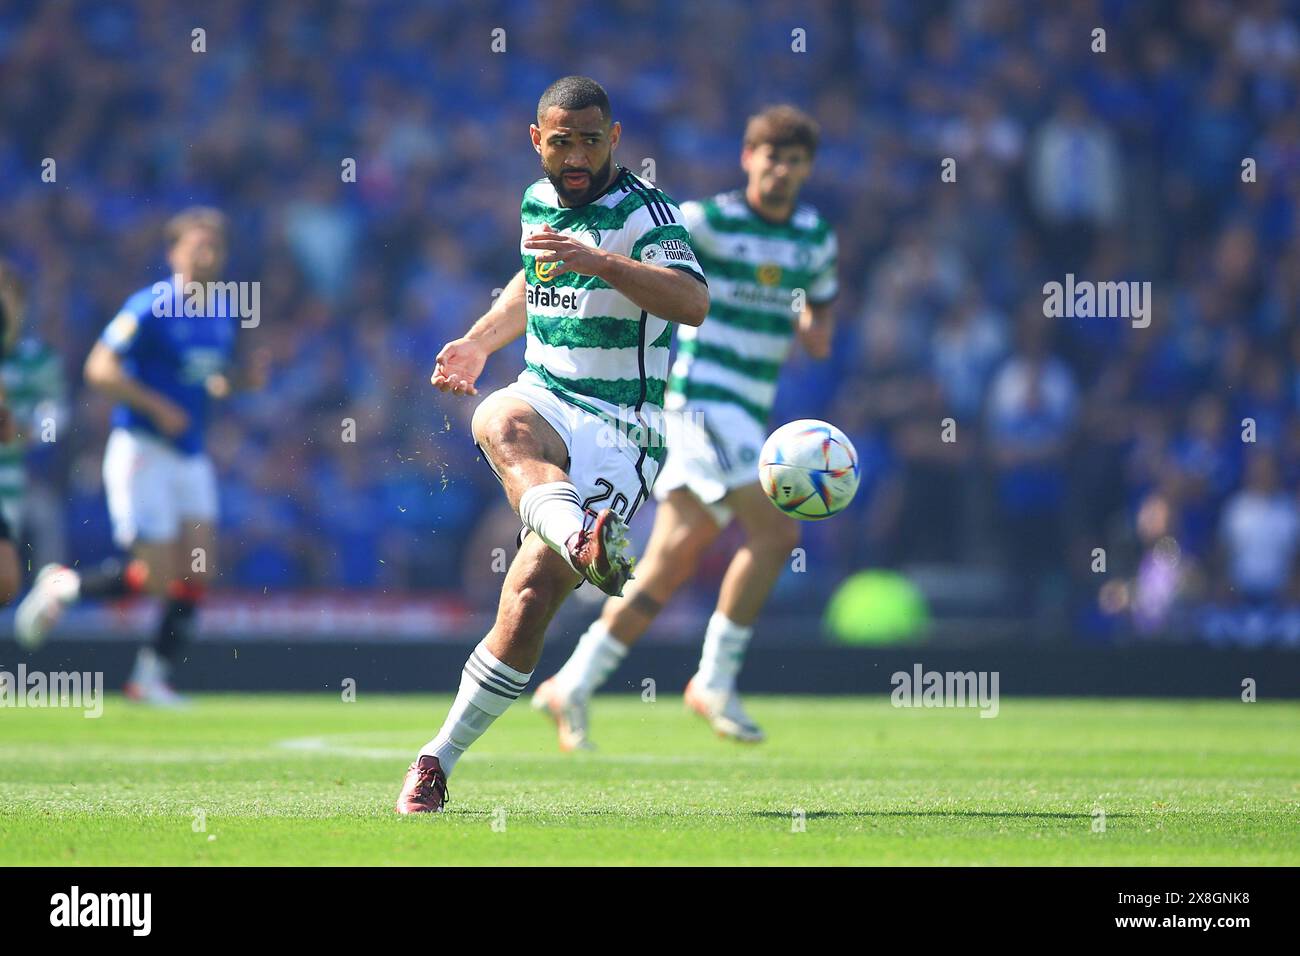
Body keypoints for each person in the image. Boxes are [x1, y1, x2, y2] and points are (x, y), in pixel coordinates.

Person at [394, 75, 709, 813]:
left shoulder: (645, 213)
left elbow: (693, 300)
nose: (575, 156)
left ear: (615, 139)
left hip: (623, 425)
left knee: (531, 596)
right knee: (497, 420)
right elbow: (531, 279)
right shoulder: (537, 201)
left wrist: (600, 261)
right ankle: (583, 538)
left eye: (591, 141)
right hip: (548, 392)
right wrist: (476, 343)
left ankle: (442, 751)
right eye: (561, 141)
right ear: (537, 140)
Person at [531, 105, 838, 749]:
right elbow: (651, 258)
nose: (781, 170)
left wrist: (807, 323)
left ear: (808, 169)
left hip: (748, 409)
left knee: (670, 562)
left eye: (795, 160)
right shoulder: (707, 220)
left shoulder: (815, 238)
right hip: (698, 401)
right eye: (770, 156)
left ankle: (573, 684)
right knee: (778, 532)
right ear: (748, 158)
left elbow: (820, 329)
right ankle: (715, 680)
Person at [13, 208, 267, 704]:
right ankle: (65, 586)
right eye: (197, 246)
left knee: (197, 570)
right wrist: (156, 405)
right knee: (155, 580)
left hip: (189, 455)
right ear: (173, 253)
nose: (207, 255)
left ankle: (149, 678)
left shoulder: (220, 312)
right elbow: (99, 368)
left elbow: (210, 378)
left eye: (214, 248)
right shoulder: (151, 305)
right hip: (143, 449)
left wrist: (241, 381)